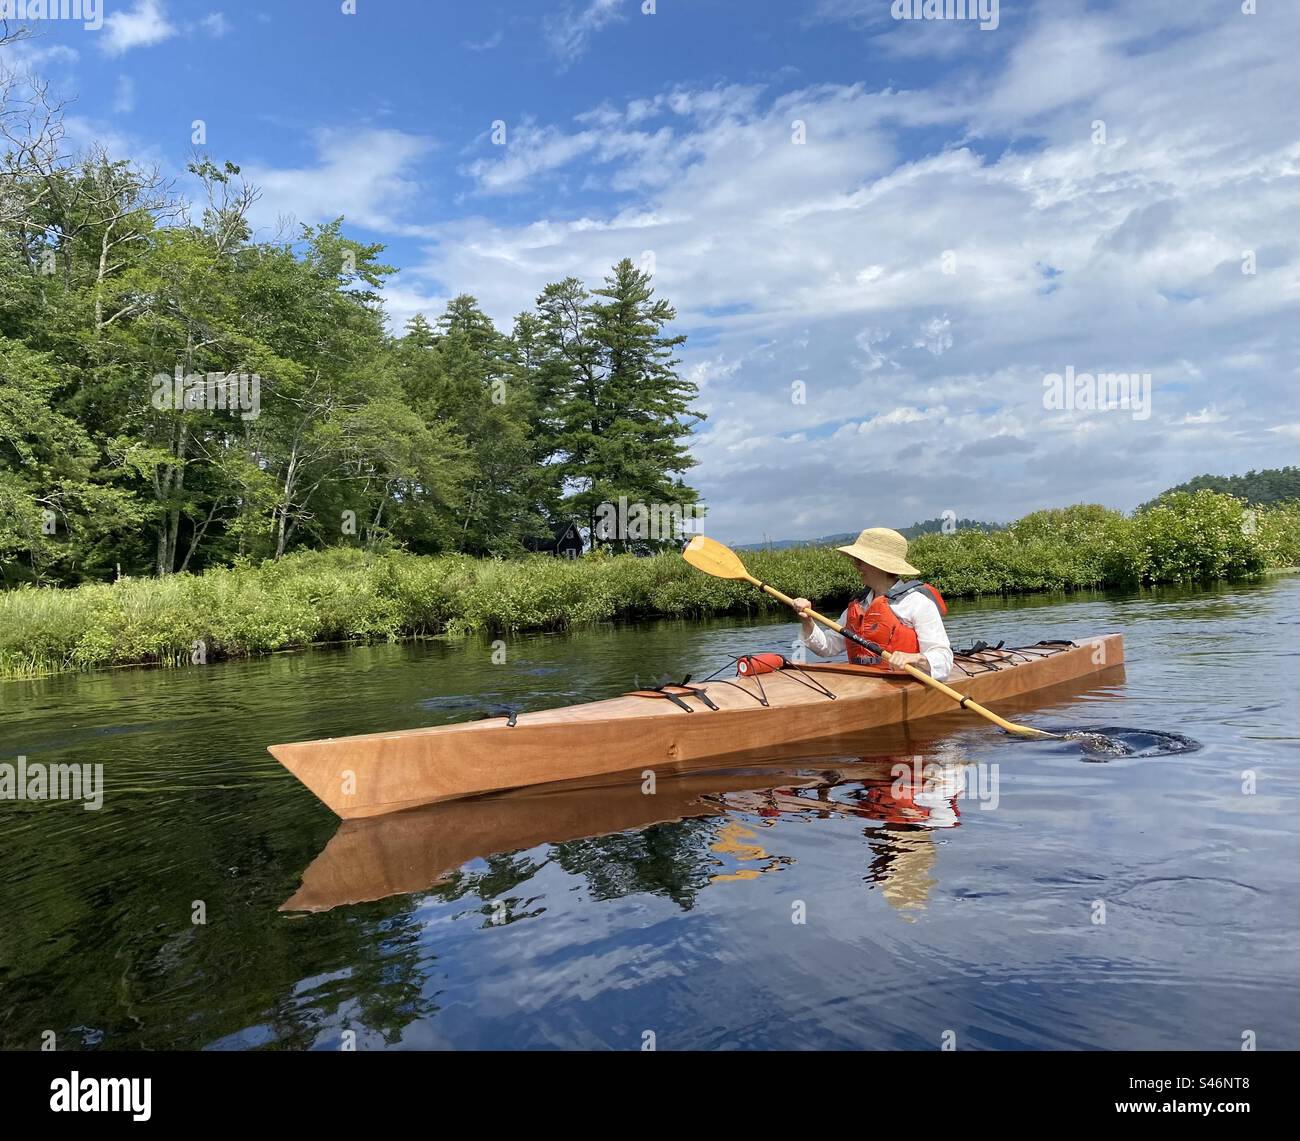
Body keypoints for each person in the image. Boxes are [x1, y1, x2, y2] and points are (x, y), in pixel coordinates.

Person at [789, 527, 953, 680]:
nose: (855, 565)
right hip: (863, 685)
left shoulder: (918, 603)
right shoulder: (859, 604)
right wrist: (807, 620)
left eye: (860, 560)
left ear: (880, 565)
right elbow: (828, 647)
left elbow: (944, 659)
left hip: (903, 683)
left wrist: (914, 658)